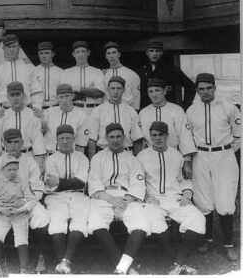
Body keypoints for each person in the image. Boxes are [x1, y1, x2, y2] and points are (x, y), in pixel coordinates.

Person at [137, 121, 205, 275]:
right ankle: (178, 264)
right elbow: (138, 181)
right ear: (150, 137)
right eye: (154, 135)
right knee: (157, 223)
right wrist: (147, 196)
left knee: (197, 218)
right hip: (152, 199)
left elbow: (182, 180)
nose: (157, 138)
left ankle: (177, 263)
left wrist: (187, 194)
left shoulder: (176, 154)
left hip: (174, 199)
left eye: (161, 135)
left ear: (167, 136)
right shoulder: (142, 156)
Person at [186, 73, 240, 261]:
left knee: (225, 199)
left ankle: (229, 244)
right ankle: (207, 240)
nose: (206, 92)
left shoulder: (228, 107)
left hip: (224, 155)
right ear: (197, 91)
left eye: (209, 88)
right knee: (203, 199)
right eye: (201, 89)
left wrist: (227, 150)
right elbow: (187, 137)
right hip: (200, 155)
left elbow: (239, 133)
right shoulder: (192, 110)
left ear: (215, 88)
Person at [0, 128, 50, 274]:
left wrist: (24, 204)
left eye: (16, 142)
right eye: (9, 142)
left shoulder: (30, 161)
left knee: (42, 217)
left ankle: (38, 255)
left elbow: (37, 188)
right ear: (3, 144)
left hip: (26, 202)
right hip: (1, 204)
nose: (13, 145)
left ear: (22, 142)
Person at [88, 123, 149, 274]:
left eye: (118, 137)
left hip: (127, 197)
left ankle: (121, 268)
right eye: (112, 137)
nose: (115, 140)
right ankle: (125, 268)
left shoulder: (132, 158)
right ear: (106, 139)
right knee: (96, 222)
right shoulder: (98, 158)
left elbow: (138, 183)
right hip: (103, 196)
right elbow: (94, 183)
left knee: (141, 223)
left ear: (124, 138)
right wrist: (111, 200)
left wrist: (125, 201)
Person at [44, 124, 90, 274]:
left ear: (74, 139)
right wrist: (64, 183)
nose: (65, 141)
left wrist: (60, 181)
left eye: (68, 138)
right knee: (57, 221)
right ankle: (62, 262)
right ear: (56, 140)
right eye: (61, 138)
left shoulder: (82, 157)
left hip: (78, 194)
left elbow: (81, 182)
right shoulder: (51, 159)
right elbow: (51, 185)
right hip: (56, 197)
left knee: (79, 221)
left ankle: (65, 261)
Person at [0, 158, 37, 275]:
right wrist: (0, 209)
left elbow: (32, 200)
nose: (12, 172)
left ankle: (24, 268)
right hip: (3, 214)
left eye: (15, 169)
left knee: (21, 238)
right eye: (9, 170)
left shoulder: (22, 182)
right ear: (3, 171)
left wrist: (21, 208)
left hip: (19, 213)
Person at [138, 78, 197, 173]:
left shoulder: (176, 110)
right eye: (151, 91)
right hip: (150, 157)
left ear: (165, 91)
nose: (154, 94)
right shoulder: (143, 113)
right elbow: (142, 140)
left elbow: (184, 136)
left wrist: (187, 161)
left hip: (173, 155)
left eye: (157, 90)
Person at [0, 82, 46, 171]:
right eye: (12, 95)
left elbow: (37, 141)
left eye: (18, 94)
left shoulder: (32, 115)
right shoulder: (2, 116)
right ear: (8, 97)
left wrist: (39, 164)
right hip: (7, 157)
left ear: (23, 96)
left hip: (27, 156)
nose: (15, 98)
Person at [88, 76, 144, 159]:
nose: (115, 92)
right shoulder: (98, 110)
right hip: (104, 154)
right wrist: (92, 161)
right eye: (112, 88)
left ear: (124, 90)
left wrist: (137, 160)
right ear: (108, 90)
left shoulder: (131, 111)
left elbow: (137, 139)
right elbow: (92, 139)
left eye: (119, 88)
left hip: (126, 153)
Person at [0, 34, 43, 116]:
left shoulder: (29, 67)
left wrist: (37, 107)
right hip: (5, 112)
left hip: (27, 110)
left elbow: (36, 90)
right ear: (3, 48)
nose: (12, 50)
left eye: (14, 46)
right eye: (9, 47)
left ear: (19, 47)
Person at [137, 41, 195, 110]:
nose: (154, 54)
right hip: (147, 109)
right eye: (151, 51)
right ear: (147, 53)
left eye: (157, 51)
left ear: (161, 53)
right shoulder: (141, 71)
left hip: (167, 108)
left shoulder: (171, 69)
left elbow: (190, 86)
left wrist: (185, 106)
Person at [41, 83, 89, 154]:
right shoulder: (48, 113)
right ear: (57, 98)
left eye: (67, 96)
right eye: (61, 97)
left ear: (72, 96)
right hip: (50, 155)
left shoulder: (81, 115)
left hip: (70, 156)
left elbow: (81, 144)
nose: (64, 100)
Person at [62, 41, 105, 114]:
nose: (80, 54)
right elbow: (64, 95)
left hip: (93, 110)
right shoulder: (66, 72)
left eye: (83, 51)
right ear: (73, 54)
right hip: (74, 110)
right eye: (77, 52)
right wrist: (89, 91)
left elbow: (99, 93)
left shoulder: (97, 71)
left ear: (88, 53)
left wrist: (77, 89)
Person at [103, 41, 140, 110]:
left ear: (119, 54)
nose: (111, 56)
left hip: (126, 110)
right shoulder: (103, 74)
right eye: (108, 53)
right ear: (106, 56)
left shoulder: (131, 74)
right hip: (108, 111)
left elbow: (136, 98)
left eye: (114, 52)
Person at [32, 41, 64, 109]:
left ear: (52, 54)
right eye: (41, 53)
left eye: (47, 53)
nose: (44, 56)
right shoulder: (33, 71)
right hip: (37, 108)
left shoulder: (61, 72)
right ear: (38, 54)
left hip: (56, 108)